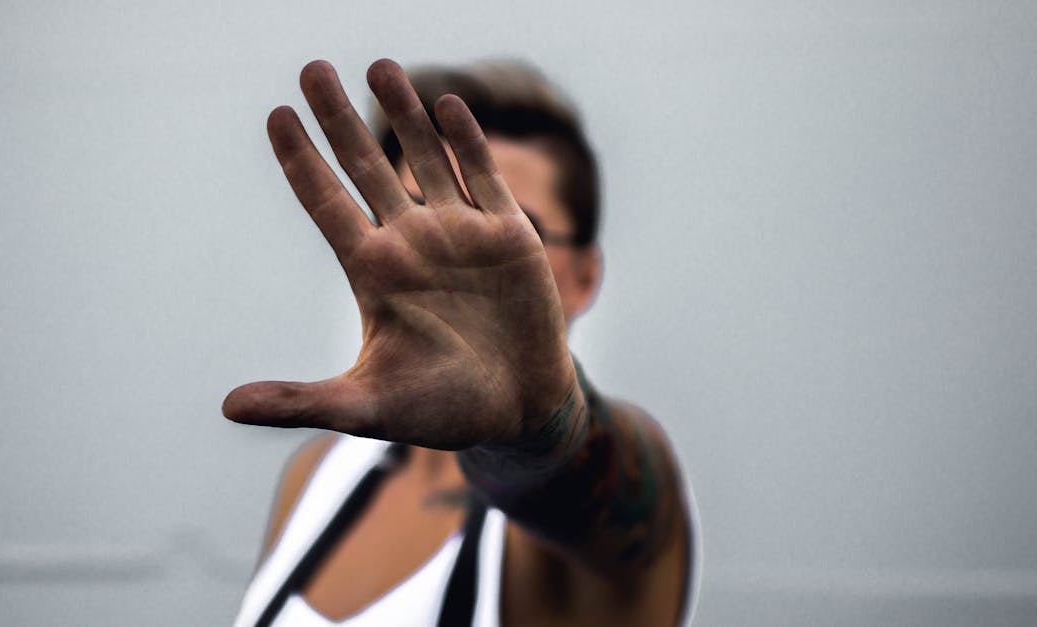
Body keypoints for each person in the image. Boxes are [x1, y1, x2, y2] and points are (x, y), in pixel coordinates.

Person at [224, 58, 699, 627]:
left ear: (585, 277)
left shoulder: (582, 522)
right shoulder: (320, 476)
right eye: (419, 213)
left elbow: (600, 499)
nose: (456, 250)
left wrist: (541, 432)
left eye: (518, 226)